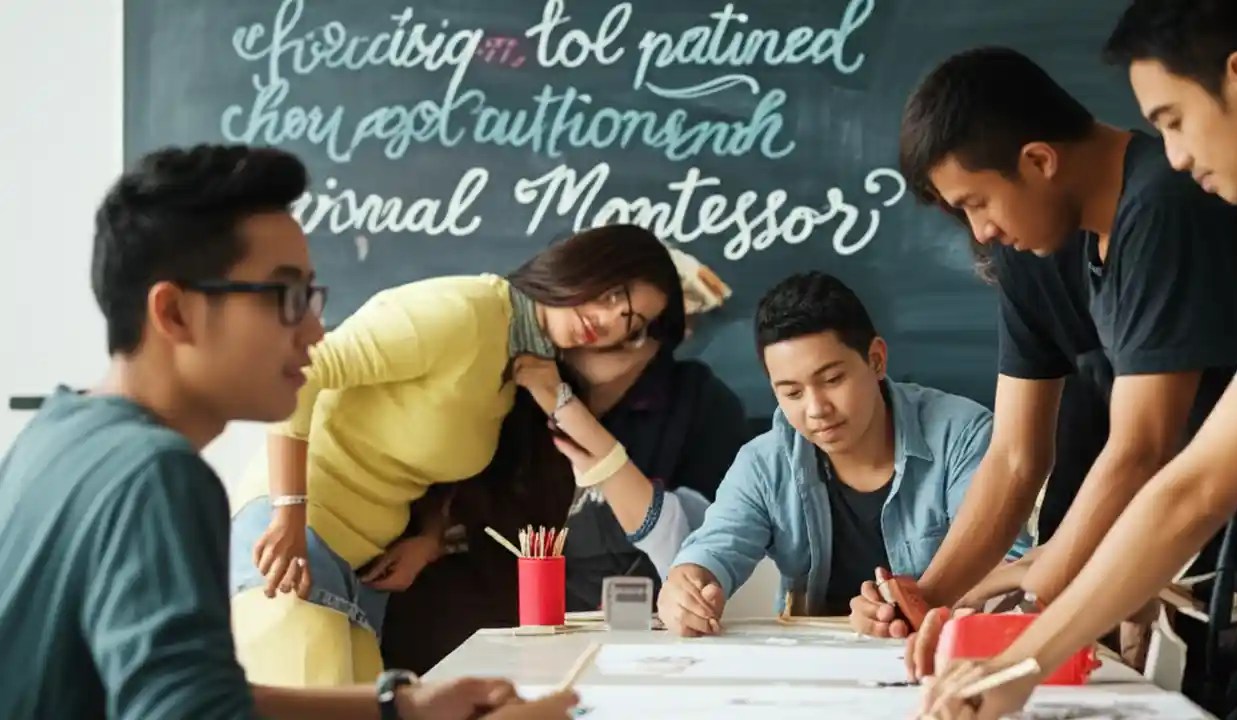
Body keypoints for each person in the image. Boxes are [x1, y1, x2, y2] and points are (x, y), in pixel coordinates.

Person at [0, 144, 576, 719]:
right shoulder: (158, 473)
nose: (313, 330)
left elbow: (197, 699)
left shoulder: (57, 432)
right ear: (174, 313)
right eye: (284, 297)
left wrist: (400, 708)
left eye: (311, 296)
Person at [921, 2, 1237, 718]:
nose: (1174, 154)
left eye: (1174, 119)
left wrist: (1025, 648)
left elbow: (1167, 469)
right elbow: (1197, 483)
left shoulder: (1165, 206)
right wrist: (1014, 642)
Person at [229, 223, 685, 686]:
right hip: (297, 545)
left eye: (629, 323)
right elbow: (302, 372)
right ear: (583, 263)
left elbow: (444, 471)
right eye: (612, 294)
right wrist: (288, 513)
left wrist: (428, 540)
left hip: (364, 568)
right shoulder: (463, 311)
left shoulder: (518, 370)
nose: (607, 320)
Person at [656, 272, 1032, 636]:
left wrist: (907, 605)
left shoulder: (962, 435)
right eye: (792, 393)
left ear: (876, 360)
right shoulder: (764, 462)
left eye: (832, 380)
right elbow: (713, 548)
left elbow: (1008, 572)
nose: (817, 408)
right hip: (819, 670)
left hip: (941, 657)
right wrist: (686, 585)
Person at [381, 328, 749, 672]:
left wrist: (563, 405)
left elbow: (676, 536)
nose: (614, 346)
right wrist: (430, 539)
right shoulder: (508, 435)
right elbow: (451, 483)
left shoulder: (686, 435)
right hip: (509, 632)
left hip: (613, 646)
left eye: (636, 339)